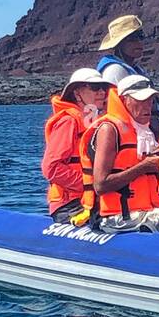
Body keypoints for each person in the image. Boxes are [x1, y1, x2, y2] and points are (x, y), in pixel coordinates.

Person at [79, 75, 159, 233]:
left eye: (150, 100)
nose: (147, 106)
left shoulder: (147, 131)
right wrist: (143, 167)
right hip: (117, 217)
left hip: (146, 211)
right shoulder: (109, 129)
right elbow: (100, 185)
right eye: (140, 100)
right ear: (124, 99)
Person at [41, 67, 111, 220]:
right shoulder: (68, 121)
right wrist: (92, 184)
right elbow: (51, 168)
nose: (101, 92)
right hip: (69, 205)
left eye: (104, 88)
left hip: (92, 200)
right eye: (94, 88)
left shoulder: (97, 122)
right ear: (77, 93)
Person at [97, 14, 148, 85]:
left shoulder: (135, 68)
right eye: (132, 39)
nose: (138, 42)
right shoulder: (115, 70)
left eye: (141, 37)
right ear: (119, 44)